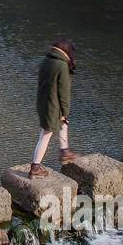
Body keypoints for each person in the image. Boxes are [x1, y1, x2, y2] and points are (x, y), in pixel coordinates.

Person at [31, 39, 78, 178]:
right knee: (45, 136)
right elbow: (63, 92)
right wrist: (65, 112)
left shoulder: (46, 60)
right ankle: (35, 167)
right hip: (53, 107)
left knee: (63, 125)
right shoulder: (61, 65)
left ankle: (64, 151)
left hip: (43, 103)